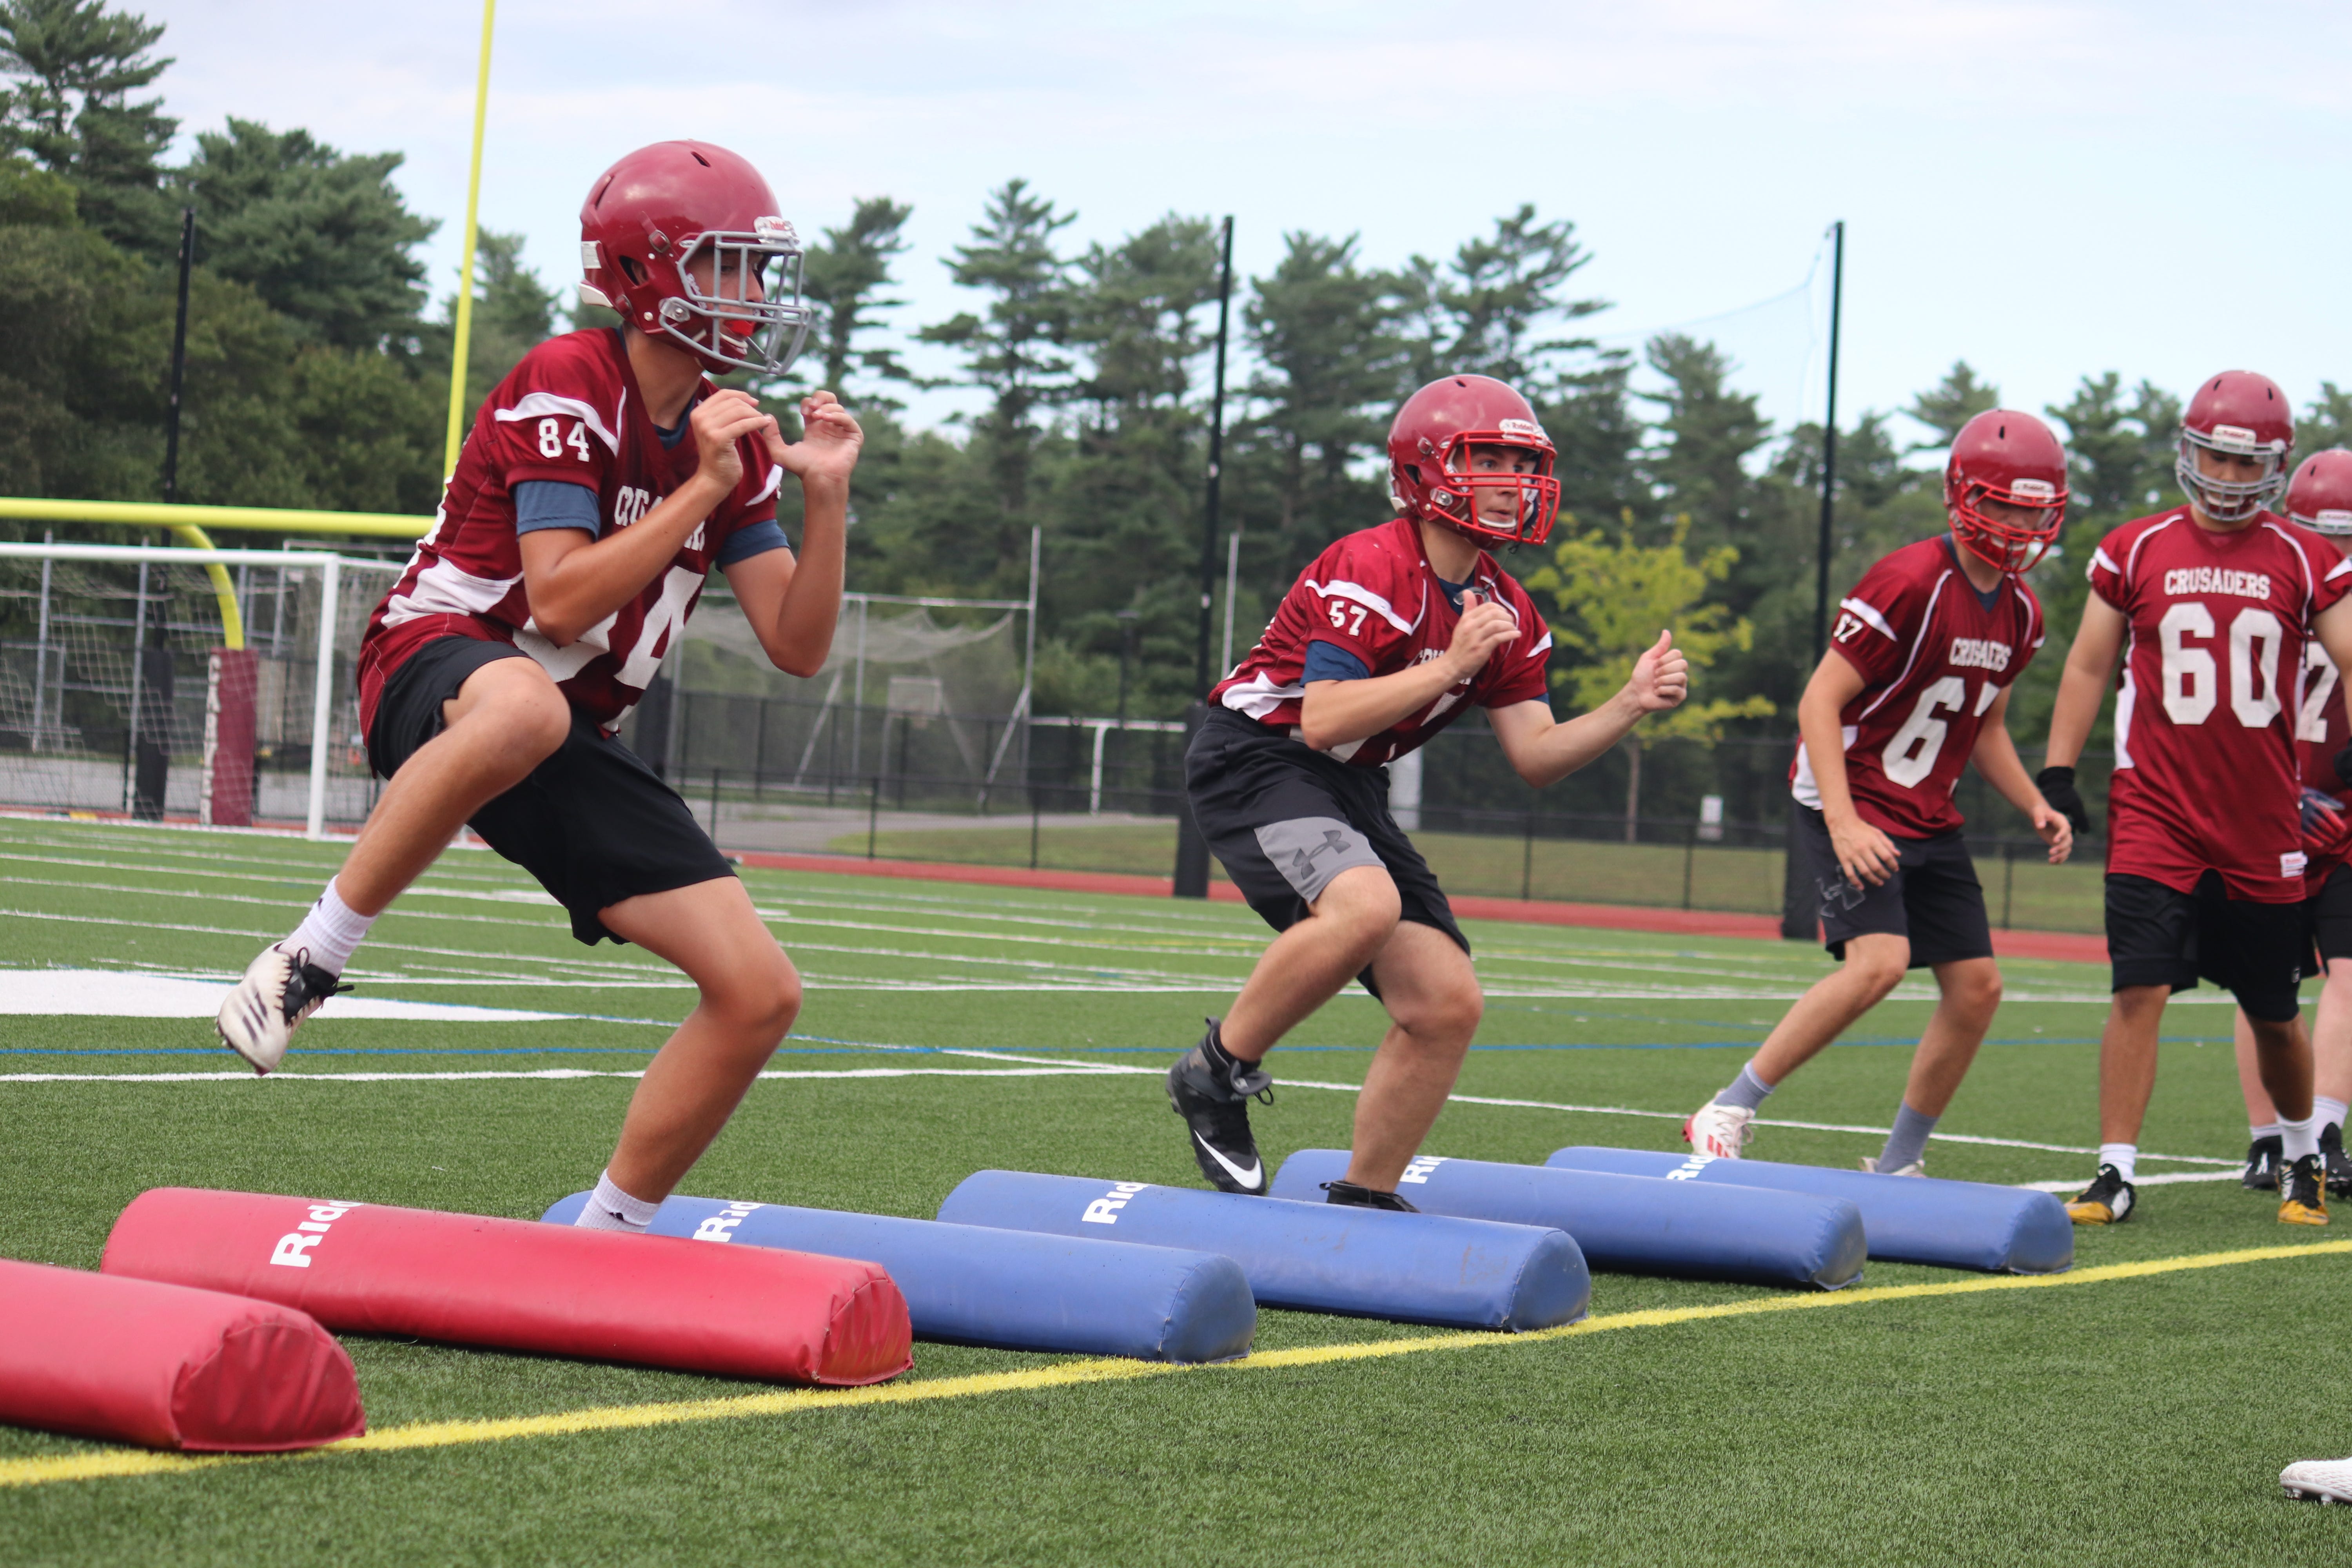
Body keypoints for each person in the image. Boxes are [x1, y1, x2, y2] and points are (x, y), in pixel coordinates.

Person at [215, 141, 862, 1234]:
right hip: (439, 662)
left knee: (760, 990)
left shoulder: (737, 446)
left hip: (559, 726)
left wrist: (830, 502)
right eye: (729, 266)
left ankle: (604, 1234)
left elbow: (797, 647)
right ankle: (307, 960)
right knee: (525, 702)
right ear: (649, 274)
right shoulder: (570, 378)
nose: (754, 296)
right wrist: (698, 486)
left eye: (758, 271)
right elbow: (557, 605)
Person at [1168, 374, 1689, 1207]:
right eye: (1491, 458)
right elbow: (1325, 720)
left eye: (1525, 463)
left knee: (1447, 1001)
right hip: (1261, 758)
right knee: (1365, 906)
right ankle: (1215, 1072)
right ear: (1426, 468)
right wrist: (1450, 667)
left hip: (1349, 783)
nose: (1514, 481)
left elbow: (1538, 755)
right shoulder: (1372, 563)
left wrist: (1628, 703)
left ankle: (1365, 1199)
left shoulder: (1504, 604)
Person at [1683, 411, 2074, 1172]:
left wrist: (2034, 801)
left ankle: (1900, 1160)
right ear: (1961, 497)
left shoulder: (2023, 613)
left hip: (1928, 809)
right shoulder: (1909, 581)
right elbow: (1818, 701)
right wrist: (1844, 821)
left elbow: (1983, 724)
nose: (2017, 521)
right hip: (1850, 795)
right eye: (1999, 503)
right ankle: (1726, 1108)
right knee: (1880, 961)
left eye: (2031, 506)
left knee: (1978, 987)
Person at [2038, 373, 2352, 1227]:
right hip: (2157, 810)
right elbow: (2089, 665)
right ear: (2189, 448)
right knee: (2138, 987)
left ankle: (2299, 1152)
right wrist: (2060, 773)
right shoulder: (2136, 547)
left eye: (2248, 461)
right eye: (2217, 452)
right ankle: (2114, 1169)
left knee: (2275, 1011)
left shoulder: (2303, 555)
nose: (2229, 473)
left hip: (2259, 821)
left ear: (2277, 468)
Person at [2225, 449, 2352, 1194]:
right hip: (2268, 815)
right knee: (2263, 984)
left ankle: (2323, 1128)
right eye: (2323, 536)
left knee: (2343, 974)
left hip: (2331, 818)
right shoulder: (2265, 589)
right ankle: (2272, 1138)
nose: (2334, 554)